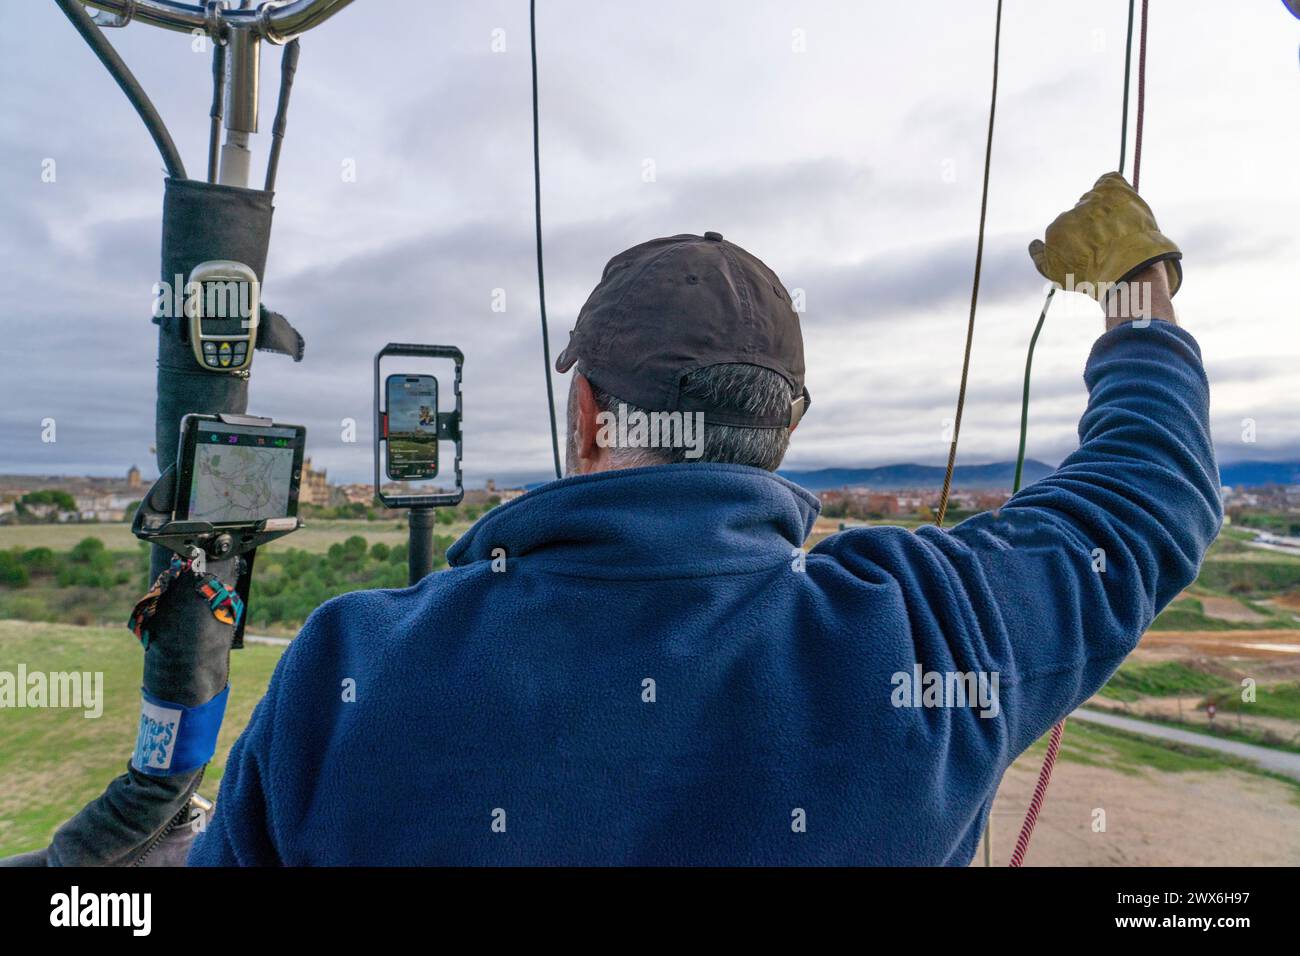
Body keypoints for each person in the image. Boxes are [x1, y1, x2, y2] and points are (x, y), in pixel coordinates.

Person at [17, 173, 1223, 866]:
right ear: (783, 430)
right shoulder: (933, 636)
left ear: (588, 412)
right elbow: (1148, 492)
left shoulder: (349, 664)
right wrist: (1137, 297)